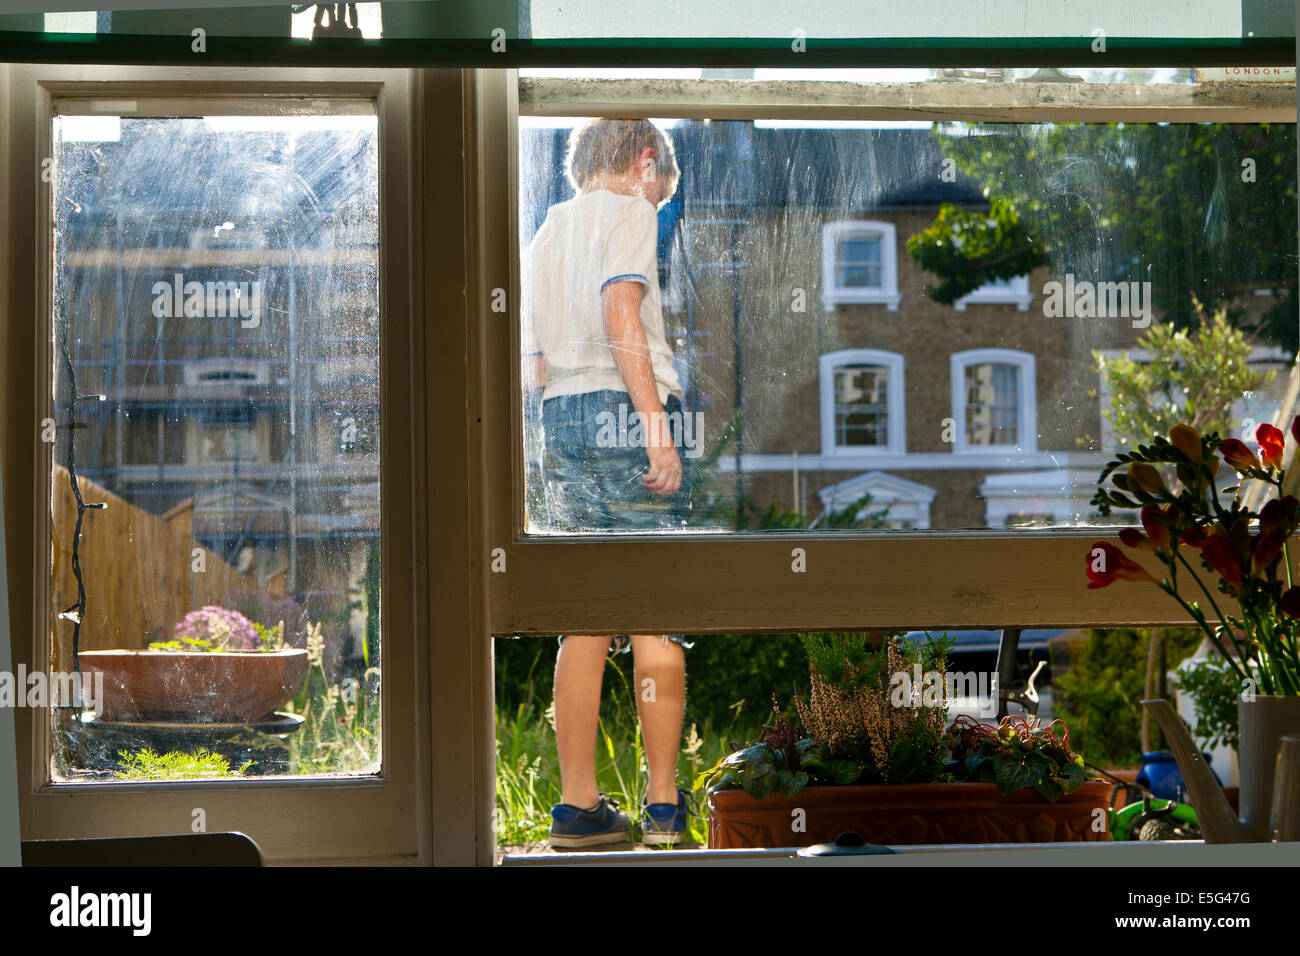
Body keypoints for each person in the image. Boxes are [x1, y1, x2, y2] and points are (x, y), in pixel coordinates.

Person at [521, 118, 693, 847]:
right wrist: (654, 425)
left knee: (584, 616)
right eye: (664, 193)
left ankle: (578, 809)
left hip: (558, 419)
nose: (662, 207)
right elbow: (621, 310)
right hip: (624, 412)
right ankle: (661, 810)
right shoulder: (631, 210)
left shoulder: (544, 235)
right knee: (654, 611)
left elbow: (531, 367)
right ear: (644, 163)